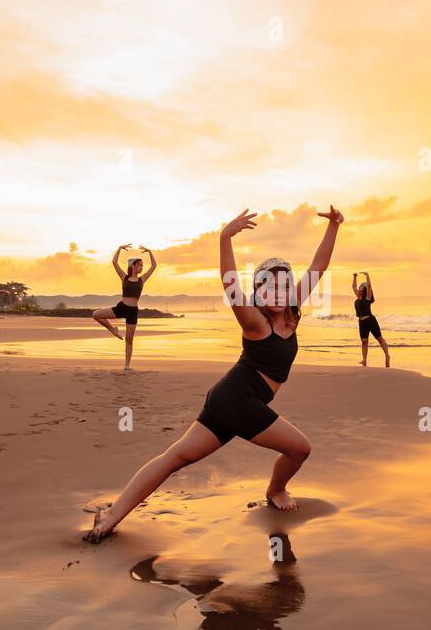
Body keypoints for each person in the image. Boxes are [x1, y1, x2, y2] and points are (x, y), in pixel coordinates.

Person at [83, 205, 344, 542]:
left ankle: (111, 516)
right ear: (258, 291)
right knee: (300, 449)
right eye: (269, 287)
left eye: (284, 286)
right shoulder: (255, 322)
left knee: (174, 458)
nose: (278, 292)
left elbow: (317, 267)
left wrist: (334, 226)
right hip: (239, 401)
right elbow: (231, 285)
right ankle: (276, 490)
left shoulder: (291, 311)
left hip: (228, 399)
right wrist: (225, 237)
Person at [91, 244, 157, 370]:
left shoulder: (142, 280)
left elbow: (154, 266)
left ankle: (127, 365)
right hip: (121, 307)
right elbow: (114, 262)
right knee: (95, 315)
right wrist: (120, 248)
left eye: (142, 265)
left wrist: (149, 252)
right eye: (139, 265)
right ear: (133, 266)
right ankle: (112, 329)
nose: (141, 267)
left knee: (129, 340)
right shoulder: (124, 277)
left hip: (133, 311)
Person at [351, 270, 390, 367]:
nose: (360, 287)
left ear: (364, 289)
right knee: (364, 342)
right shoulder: (358, 296)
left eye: (362, 286)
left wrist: (367, 275)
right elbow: (353, 287)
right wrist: (355, 277)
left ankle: (387, 355)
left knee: (379, 339)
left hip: (370, 321)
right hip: (361, 322)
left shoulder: (368, 297)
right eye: (360, 286)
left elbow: (369, 286)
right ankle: (364, 360)